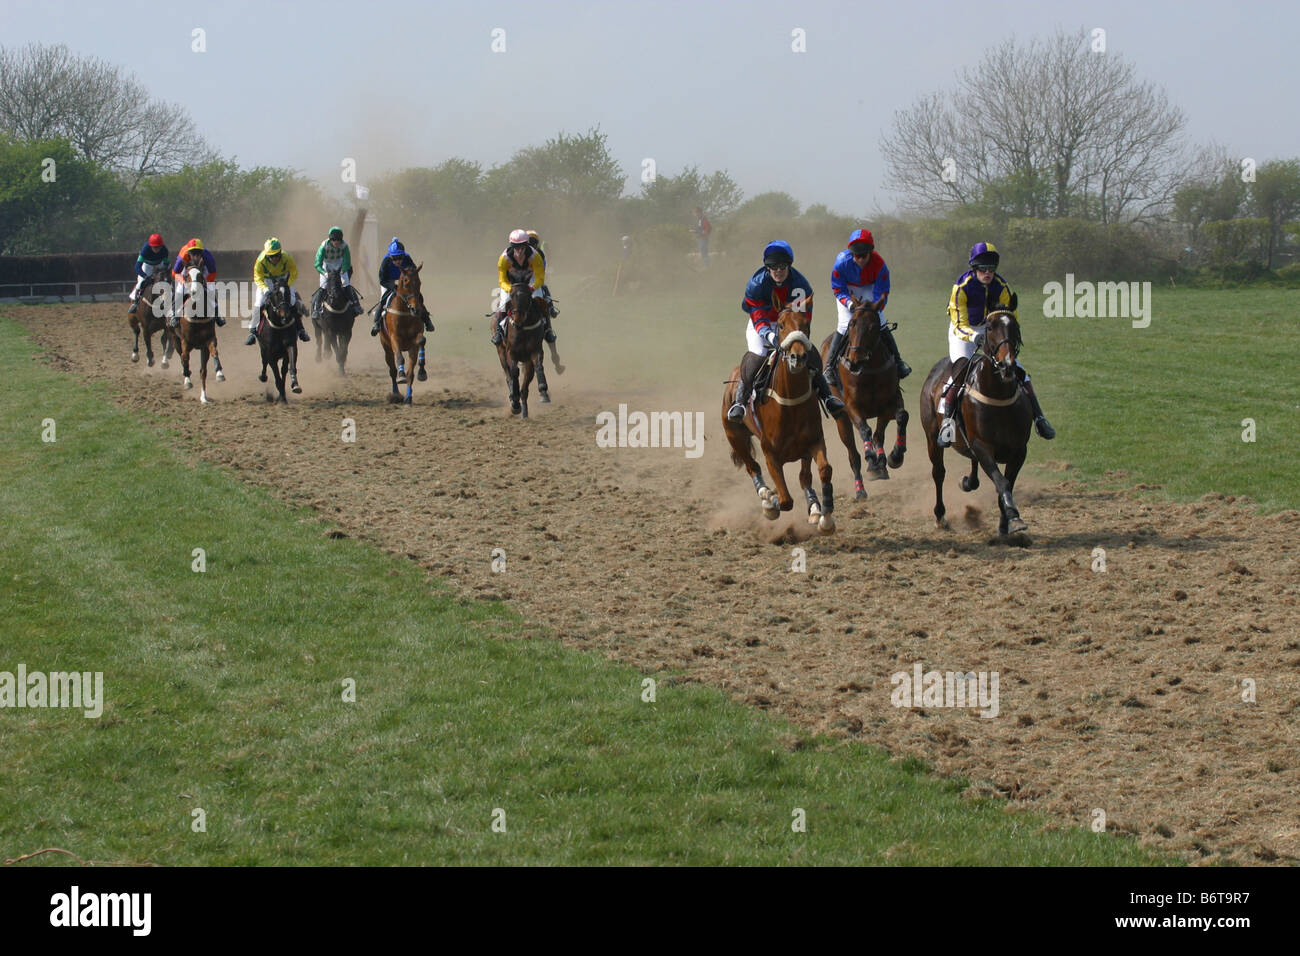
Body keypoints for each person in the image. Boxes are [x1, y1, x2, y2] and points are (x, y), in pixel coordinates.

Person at [936, 242, 1054, 446]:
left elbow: (1010, 317)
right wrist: (974, 337)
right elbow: (958, 324)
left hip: (993, 330)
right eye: (983, 268)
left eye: (991, 268)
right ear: (974, 267)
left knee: (1019, 370)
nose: (988, 272)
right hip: (965, 331)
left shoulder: (1002, 287)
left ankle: (1039, 418)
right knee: (960, 369)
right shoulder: (961, 288)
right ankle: (947, 424)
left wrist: (1005, 338)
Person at [727, 240, 845, 422]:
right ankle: (740, 402)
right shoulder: (756, 284)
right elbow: (757, 316)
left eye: (782, 266)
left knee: (810, 353)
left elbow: (803, 318)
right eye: (773, 267)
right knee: (758, 353)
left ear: (789, 266)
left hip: (790, 323)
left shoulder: (800, 284)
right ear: (768, 268)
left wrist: (799, 336)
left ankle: (827, 396)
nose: (778, 271)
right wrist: (770, 335)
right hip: (762, 323)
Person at [825, 228, 909, 385]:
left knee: (881, 322)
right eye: (856, 255)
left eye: (864, 256)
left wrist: (873, 310)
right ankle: (828, 367)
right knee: (844, 325)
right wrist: (850, 304)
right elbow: (838, 289)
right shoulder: (841, 263)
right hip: (848, 291)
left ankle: (898, 362)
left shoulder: (880, 265)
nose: (860, 259)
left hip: (870, 290)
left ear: (870, 253)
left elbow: (882, 293)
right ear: (851, 253)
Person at [490, 228, 549, 345]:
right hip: (511, 283)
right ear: (511, 245)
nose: (519, 250)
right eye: (515, 246)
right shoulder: (504, 258)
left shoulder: (535, 256)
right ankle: (498, 331)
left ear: (527, 244)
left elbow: (540, 278)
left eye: (522, 246)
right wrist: (509, 289)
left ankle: (548, 330)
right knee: (503, 302)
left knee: (540, 300)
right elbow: (502, 280)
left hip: (530, 281)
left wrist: (533, 287)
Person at [245, 237, 309, 345]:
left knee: (293, 301)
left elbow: (294, 272)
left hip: (283, 280)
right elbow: (257, 277)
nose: (275, 258)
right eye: (271, 256)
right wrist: (265, 289)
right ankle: (252, 332)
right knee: (259, 302)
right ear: (267, 255)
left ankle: (301, 329)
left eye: (277, 255)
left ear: (280, 252)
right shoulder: (260, 261)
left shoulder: (287, 258)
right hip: (267, 281)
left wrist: (286, 285)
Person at [369, 237, 432, 335]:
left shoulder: (407, 258)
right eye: (395, 258)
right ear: (390, 256)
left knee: (418, 297)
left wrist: (410, 283)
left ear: (403, 255)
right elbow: (382, 280)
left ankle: (427, 321)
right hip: (388, 281)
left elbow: (414, 272)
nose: (398, 261)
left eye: (400, 257)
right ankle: (376, 323)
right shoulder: (386, 261)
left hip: (404, 280)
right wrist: (393, 287)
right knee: (383, 300)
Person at [169, 238, 224, 327]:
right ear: (189, 253)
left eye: (198, 254)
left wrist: (203, 282)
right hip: (186, 270)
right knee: (180, 290)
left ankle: (217, 315)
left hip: (202, 269)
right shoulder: (183, 257)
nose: (196, 257)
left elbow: (213, 273)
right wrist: (184, 282)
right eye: (193, 254)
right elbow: (175, 273)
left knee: (210, 289)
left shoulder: (207, 257)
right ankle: (175, 316)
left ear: (201, 253)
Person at [312, 226, 363, 319]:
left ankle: (356, 305)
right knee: (323, 285)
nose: (336, 242)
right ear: (330, 239)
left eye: (338, 240)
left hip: (339, 263)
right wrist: (324, 273)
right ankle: (317, 308)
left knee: (346, 283)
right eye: (334, 239)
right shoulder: (324, 246)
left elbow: (347, 261)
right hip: (326, 264)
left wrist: (342, 271)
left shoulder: (345, 246)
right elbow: (317, 263)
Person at [525, 229, 559, 339]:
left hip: (534, 280)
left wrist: (534, 283)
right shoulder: (517, 252)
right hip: (519, 281)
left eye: (533, 243)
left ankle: (548, 328)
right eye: (529, 242)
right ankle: (499, 328)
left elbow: (541, 272)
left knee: (542, 298)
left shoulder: (540, 254)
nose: (531, 245)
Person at [128, 234, 170, 313]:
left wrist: (163, 271)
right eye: (154, 247)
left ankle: (171, 304)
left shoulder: (164, 250)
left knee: (167, 282)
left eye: (159, 247)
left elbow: (167, 264)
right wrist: (145, 276)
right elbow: (137, 267)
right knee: (141, 282)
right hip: (147, 265)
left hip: (159, 265)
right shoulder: (145, 250)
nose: (157, 249)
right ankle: (135, 303)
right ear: (150, 246)